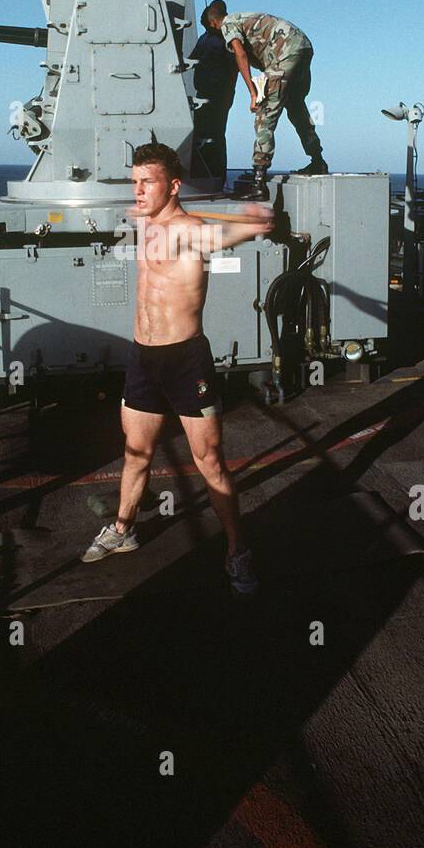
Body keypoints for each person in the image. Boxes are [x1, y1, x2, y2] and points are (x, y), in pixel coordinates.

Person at [80, 141, 274, 596]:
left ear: (173, 185)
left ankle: (237, 552)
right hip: (143, 358)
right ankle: (124, 528)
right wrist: (142, 207)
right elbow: (142, 210)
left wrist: (254, 220)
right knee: (135, 452)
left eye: (147, 182)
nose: (138, 191)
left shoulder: (191, 231)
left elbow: (228, 234)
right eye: (134, 182)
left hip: (185, 361)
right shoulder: (148, 220)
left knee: (209, 462)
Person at [205, 2, 327, 200]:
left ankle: (259, 182)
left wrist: (253, 93)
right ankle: (318, 160)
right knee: (296, 108)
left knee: (265, 114)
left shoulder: (227, 24)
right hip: (302, 46)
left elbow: (241, 55)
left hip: (285, 52)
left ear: (212, 23)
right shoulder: (243, 17)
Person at [189, 0, 237, 184]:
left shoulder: (214, 39)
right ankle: (214, 175)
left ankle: (211, 176)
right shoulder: (224, 38)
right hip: (218, 95)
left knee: (211, 136)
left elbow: (193, 59)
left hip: (214, 95)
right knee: (214, 135)